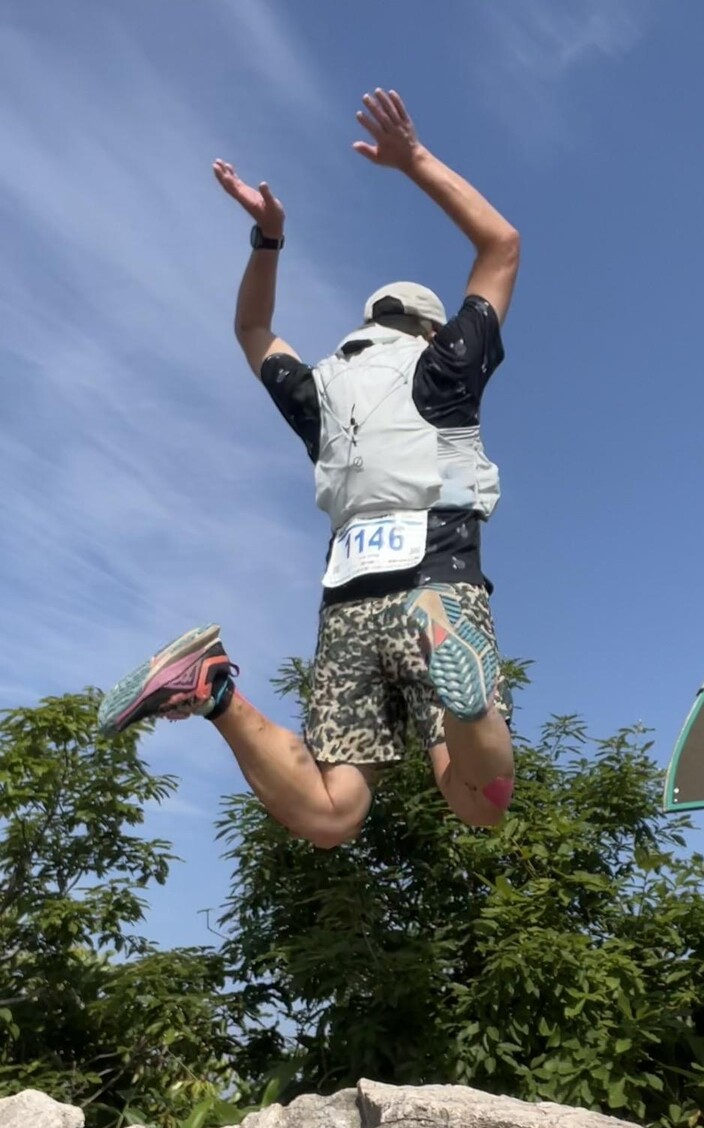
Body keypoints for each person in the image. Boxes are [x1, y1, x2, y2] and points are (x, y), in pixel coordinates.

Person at [98, 89, 520, 847]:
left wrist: (268, 236)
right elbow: (500, 246)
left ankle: (214, 689)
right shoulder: (445, 363)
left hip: (346, 610)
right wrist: (412, 158)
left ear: (365, 324)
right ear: (427, 325)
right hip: (438, 587)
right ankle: (466, 701)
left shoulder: (319, 390)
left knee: (330, 815)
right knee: (479, 799)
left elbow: (251, 326)